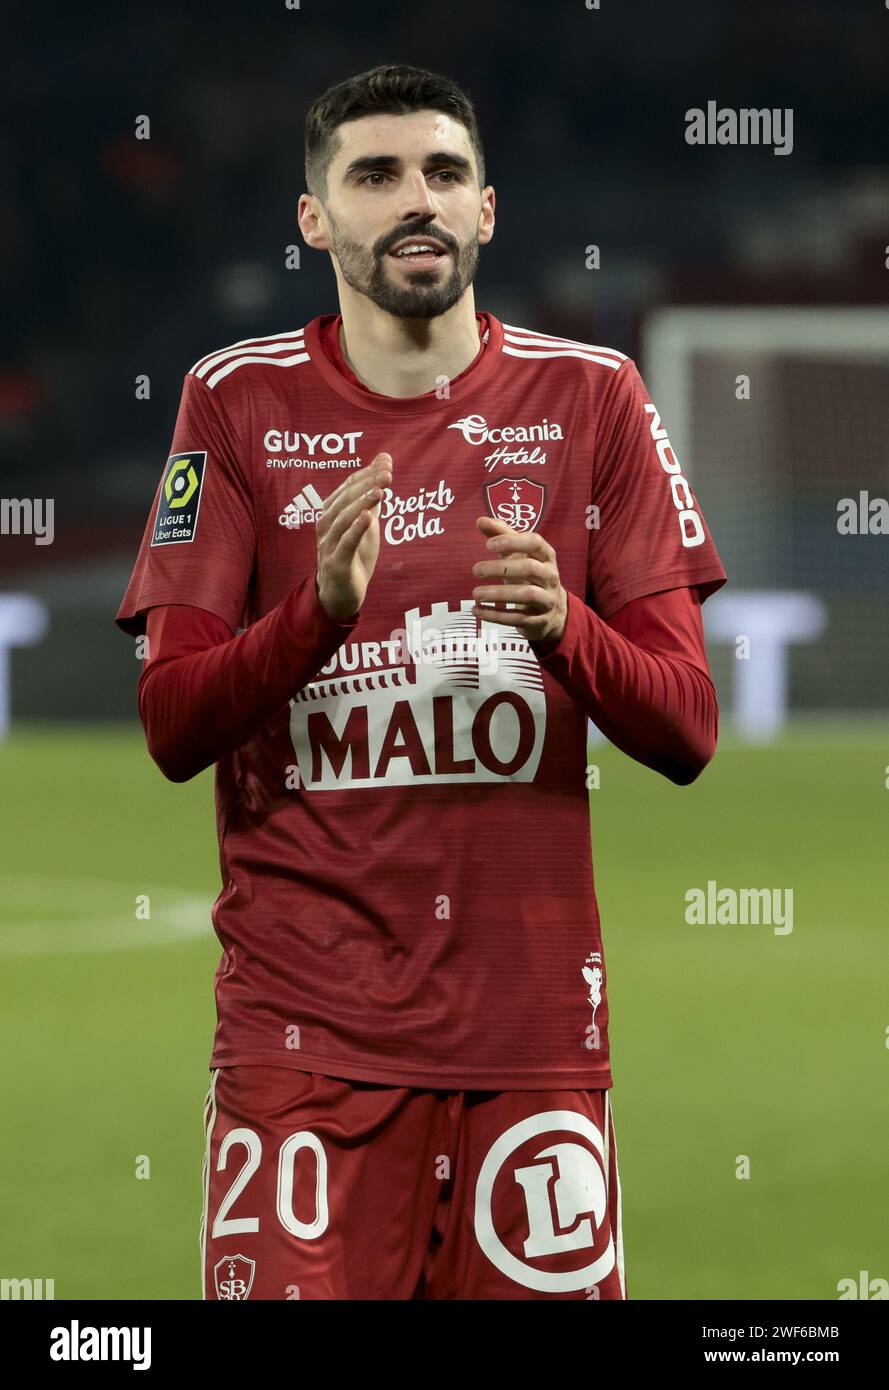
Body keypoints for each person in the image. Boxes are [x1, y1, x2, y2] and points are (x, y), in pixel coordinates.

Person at [116, 62, 726, 1300]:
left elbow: (687, 727)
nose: (417, 201)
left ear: (486, 210)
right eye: (375, 174)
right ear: (315, 220)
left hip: (532, 1044)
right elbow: (174, 724)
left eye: (444, 173)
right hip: (305, 1049)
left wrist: (567, 628)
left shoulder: (590, 396)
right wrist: (316, 617)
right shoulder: (236, 402)